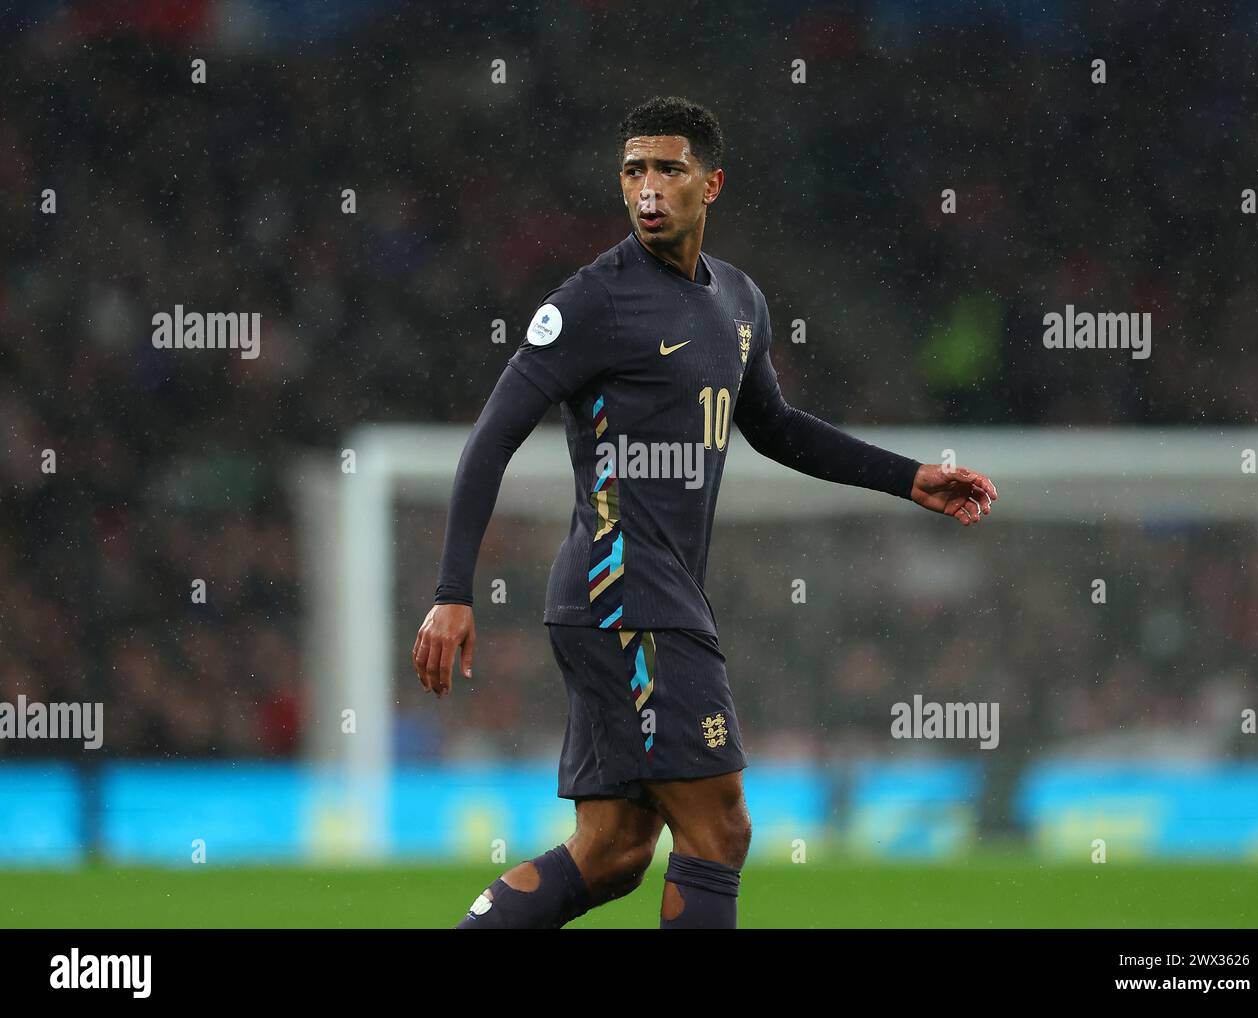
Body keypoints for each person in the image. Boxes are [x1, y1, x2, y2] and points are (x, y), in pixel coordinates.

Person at [412, 95, 998, 929]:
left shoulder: (740, 302)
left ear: (711, 184)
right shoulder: (591, 302)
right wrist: (452, 591)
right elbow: (490, 440)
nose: (647, 188)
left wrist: (909, 478)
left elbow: (778, 428)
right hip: (624, 593)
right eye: (633, 171)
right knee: (720, 826)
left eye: (668, 169)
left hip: (650, 596)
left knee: (613, 849)